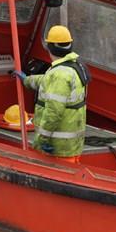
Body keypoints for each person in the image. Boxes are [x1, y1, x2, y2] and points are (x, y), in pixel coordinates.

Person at [12, 25, 90, 163]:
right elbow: (47, 81)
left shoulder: (59, 74)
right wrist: (27, 80)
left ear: (49, 47)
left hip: (57, 149)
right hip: (69, 146)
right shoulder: (74, 66)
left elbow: (53, 112)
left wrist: (41, 139)